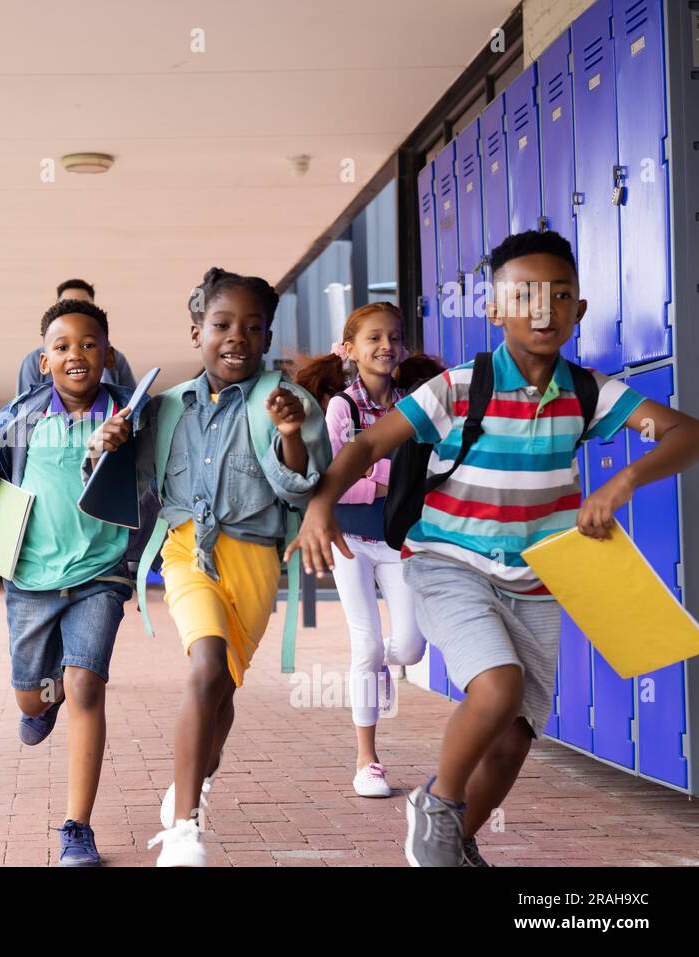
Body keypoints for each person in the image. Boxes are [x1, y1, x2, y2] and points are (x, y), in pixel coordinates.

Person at [286, 230, 699, 866]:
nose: (544, 308)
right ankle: (436, 804)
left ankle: (457, 842)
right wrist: (319, 504)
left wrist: (623, 480)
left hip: (536, 578)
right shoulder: (457, 388)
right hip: (449, 563)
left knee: (513, 741)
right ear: (494, 308)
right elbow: (367, 446)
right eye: (526, 294)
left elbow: (683, 433)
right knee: (498, 688)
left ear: (580, 310)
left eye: (561, 294)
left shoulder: (587, 393)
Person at [144, 267, 330, 867]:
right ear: (196, 331)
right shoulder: (167, 407)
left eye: (253, 327)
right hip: (186, 551)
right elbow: (132, 476)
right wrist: (109, 441)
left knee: (222, 690)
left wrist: (289, 433)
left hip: (253, 559)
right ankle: (184, 828)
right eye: (222, 324)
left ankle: (192, 782)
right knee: (204, 668)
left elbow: (300, 486)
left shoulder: (287, 400)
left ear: (267, 337)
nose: (237, 337)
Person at [0, 297, 154, 866]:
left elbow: (153, 472)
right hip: (31, 577)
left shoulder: (132, 414)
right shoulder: (21, 418)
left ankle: (78, 827)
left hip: (100, 573)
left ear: (108, 356)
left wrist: (123, 444)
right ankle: (39, 704)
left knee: (86, 687)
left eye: (89, 345)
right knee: (33, 695)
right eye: (62, 347)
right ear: (44, 361)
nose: (77, 355)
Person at [292, 303, 440, 798]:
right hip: (350, 541)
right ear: (350, 349)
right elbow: (333, 485)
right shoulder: (343, 407)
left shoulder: (413, 404)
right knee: (367, 643)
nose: (387, 346)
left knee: (412, 647)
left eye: (395, 337)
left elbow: (419, 474)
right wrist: (385, 482)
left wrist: (375, 479)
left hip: (399, 541)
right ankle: (368, 761)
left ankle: (378, 669)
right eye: (374, 338)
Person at [15, 279, 136, 395]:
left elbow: (134, 404)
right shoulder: (32, 361)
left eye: (83, 305)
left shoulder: (116, 359)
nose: (75, 311)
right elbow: (24, 411)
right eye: (68, 304)